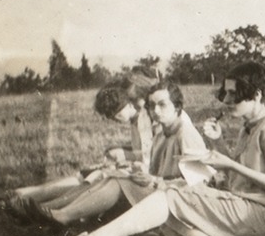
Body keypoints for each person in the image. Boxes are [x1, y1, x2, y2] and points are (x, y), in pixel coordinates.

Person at [52, 61, 265, 236]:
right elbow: (239, 179)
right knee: (173, 200)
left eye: (236, 94)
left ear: (256, 95)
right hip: (250, 210)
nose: (227, 100)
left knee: (171, 197)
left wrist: (229, 163)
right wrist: (218, 142)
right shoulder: (250, 127)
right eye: (227, 93)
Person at [23, 81, 206, 227]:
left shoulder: (185, 133)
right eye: (151, 106)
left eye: (162, 105)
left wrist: (153, 180)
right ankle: (50, 211)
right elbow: (153, 168)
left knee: (116, 178)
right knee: (113, 175)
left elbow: (200, 185)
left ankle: (59, 214)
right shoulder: (160, 132)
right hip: (161, 193)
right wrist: (140, 172)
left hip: (179, 204)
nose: (155, 111)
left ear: (177, 107)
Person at [4, 70, 160, 218]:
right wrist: (123, 153)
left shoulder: (149, 120)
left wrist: (124, 157)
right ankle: (28, 197)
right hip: (143, 171)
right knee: (88, 175)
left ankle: (41, 205)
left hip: (148, 178)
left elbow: (151, 158)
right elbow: (146, 150)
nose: (136, 105)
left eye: (136, 100)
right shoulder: (140, 119)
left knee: (94, 177)